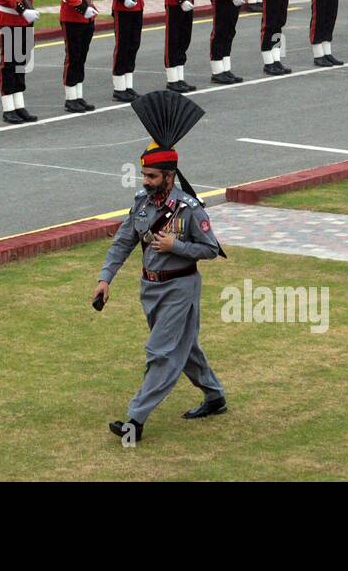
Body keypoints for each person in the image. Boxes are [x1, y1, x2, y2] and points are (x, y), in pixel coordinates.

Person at [95, 91, 226, 444]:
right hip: (149, 288)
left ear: (169, 176)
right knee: (185, 349)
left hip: (181, 289)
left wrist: (176, 246)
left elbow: (212, 249)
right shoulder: (140, 204)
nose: (145, 181)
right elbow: (123, 241)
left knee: (161, 352)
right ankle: (215, 396)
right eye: (144, 175)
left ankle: (134, 422)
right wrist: (105, 279)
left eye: (152, 176)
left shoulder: (189, 208)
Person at [54, 0, 108, 112]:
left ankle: (79, 95)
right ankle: (70, 98)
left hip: (87, 14)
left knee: (82, 56)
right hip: (72, 15)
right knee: (73, 56)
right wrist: (81, 6)